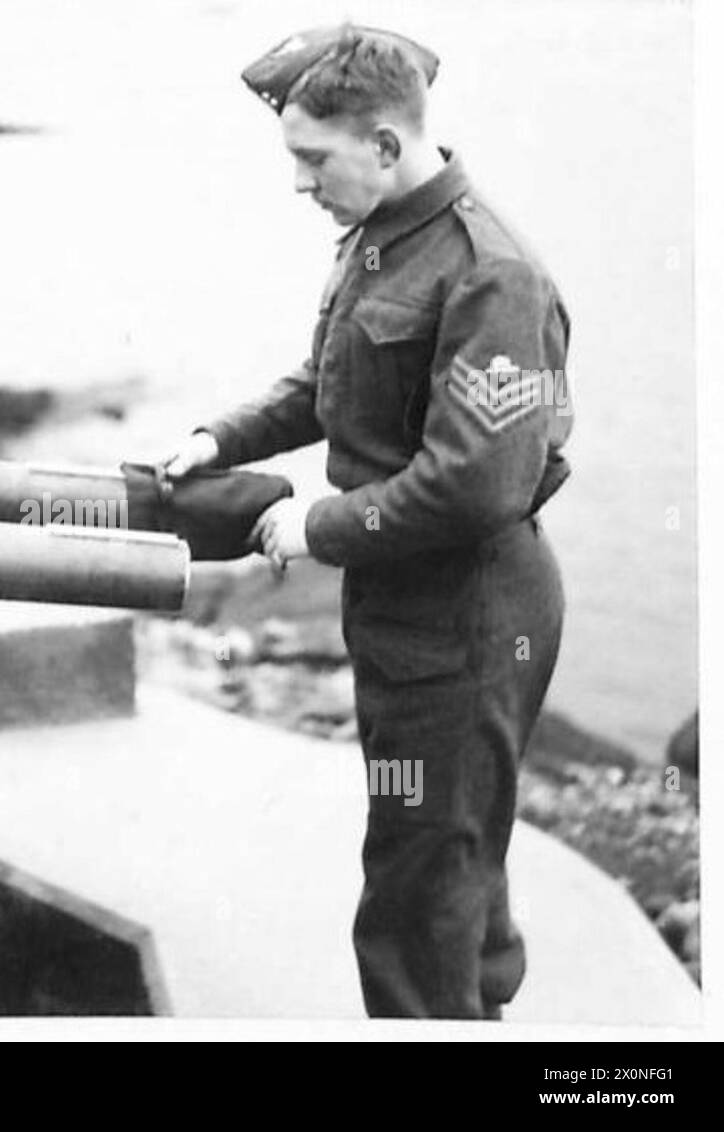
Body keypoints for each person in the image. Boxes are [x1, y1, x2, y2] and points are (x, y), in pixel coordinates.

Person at [163, 23, 573, 1019]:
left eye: (312, 159)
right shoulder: (386, 240)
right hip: (407, 612)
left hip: (468, 621)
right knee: (445, 847)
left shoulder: (490, 272)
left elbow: (478, 484)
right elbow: (330, 380)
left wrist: (319, 526)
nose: (299, 183)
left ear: (385, 146)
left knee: (412, 890)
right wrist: (222, 439)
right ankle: (480, 1007)